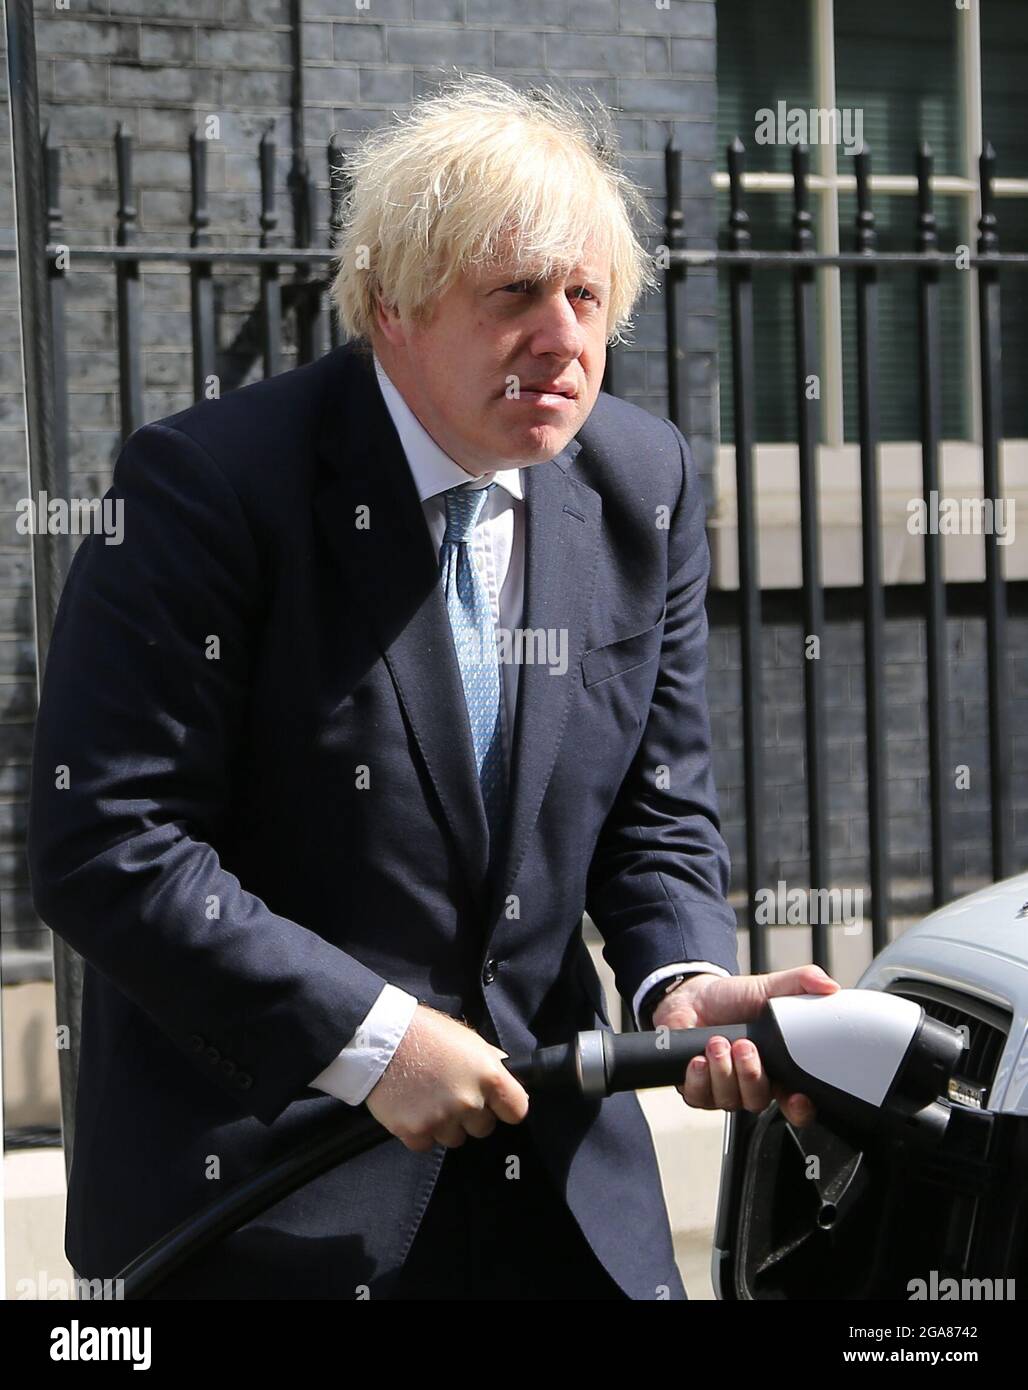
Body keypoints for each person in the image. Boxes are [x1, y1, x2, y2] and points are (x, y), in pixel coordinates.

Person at [28, 73, 839, 1301]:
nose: (563, 336)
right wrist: (372, 1040)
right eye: (514, 291)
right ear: (393, 302)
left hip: (562, 1198)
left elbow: (654, 812)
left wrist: (684, 980)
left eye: (586, 295)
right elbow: (110, 839)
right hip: (270, 1206)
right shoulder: (205, 486)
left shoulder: (645, 482)